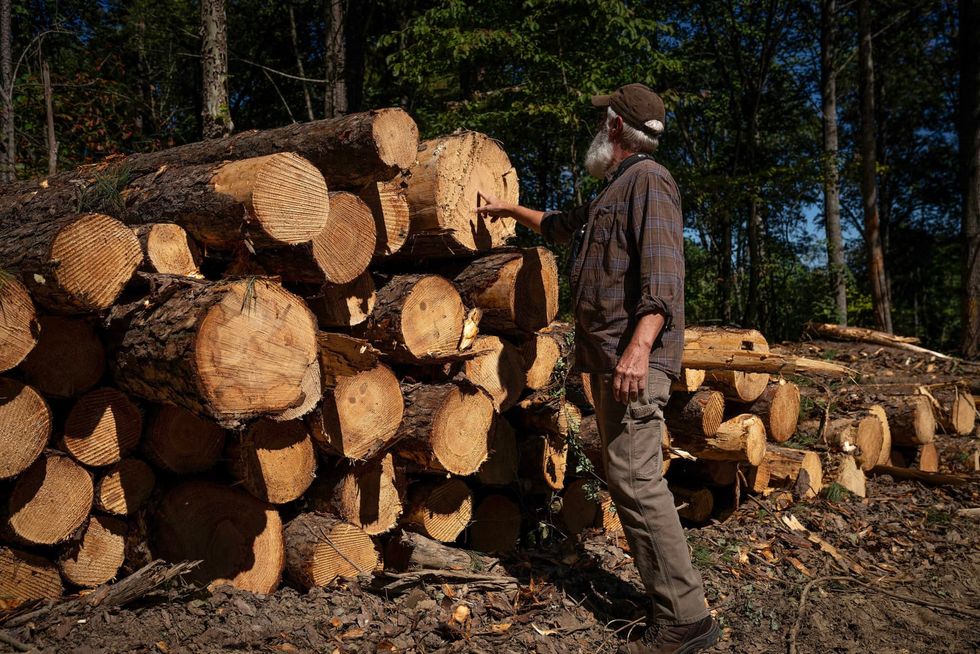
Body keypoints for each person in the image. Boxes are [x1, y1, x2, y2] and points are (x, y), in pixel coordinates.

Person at [476, 83, 720, 654]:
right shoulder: (616, 188)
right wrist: (511, 209)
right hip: (614, 363)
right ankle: (672, 603)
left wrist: (639, 348)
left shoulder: (650, 183)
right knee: (627, 477)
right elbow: (564, 225)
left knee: (637, 481)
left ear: (614, 126)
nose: (596, 127)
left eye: (601, 120)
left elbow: (664, 279)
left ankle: (685, 617)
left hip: (635, 362)